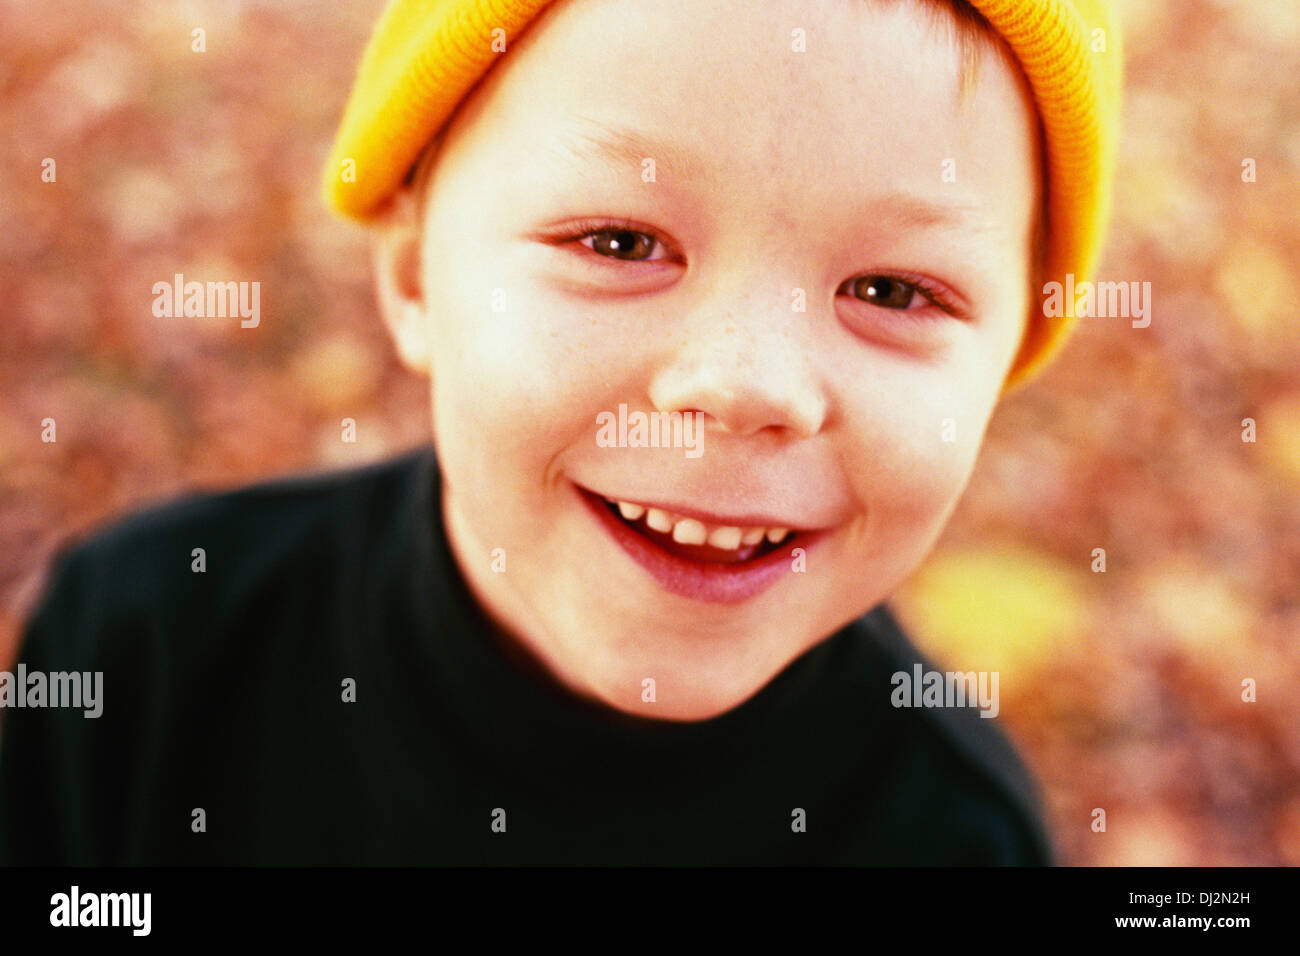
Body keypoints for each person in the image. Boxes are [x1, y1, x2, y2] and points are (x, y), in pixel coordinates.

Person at [0, 0, 1122, 864]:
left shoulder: (952, 835)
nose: (745, 386)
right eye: (623, 244)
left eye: (892, 288)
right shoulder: (143, 647)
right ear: (412, 280)